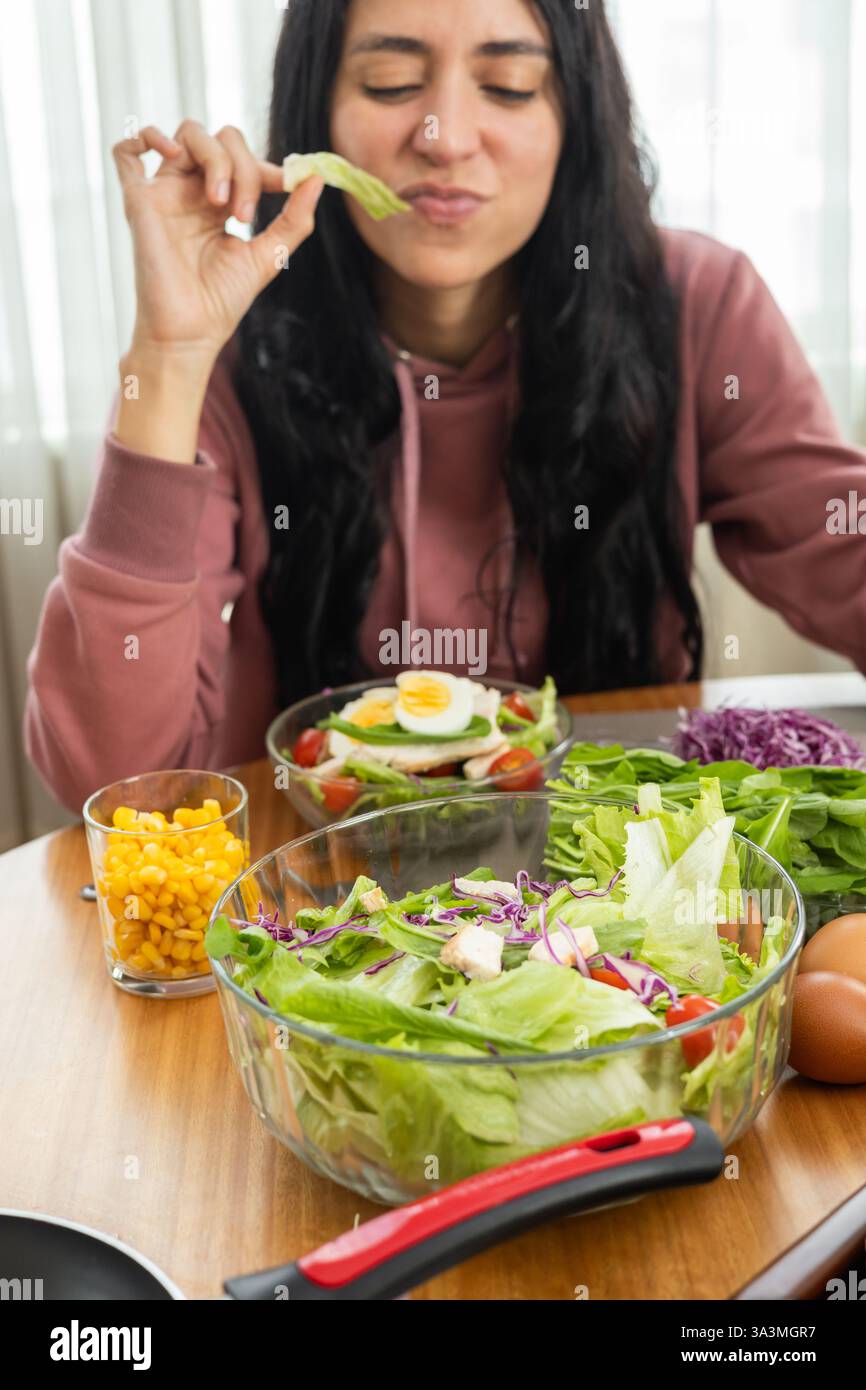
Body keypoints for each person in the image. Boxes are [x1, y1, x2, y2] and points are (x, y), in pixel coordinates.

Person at [25, 0, 866, 812]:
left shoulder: (698, 306)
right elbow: (112, 784)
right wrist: (169, 359)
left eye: (507, 87)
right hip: (319, 895)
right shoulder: (230, 336)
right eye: (391, 83)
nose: (445, 139)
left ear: (575, 113)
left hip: (615, 897)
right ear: (315, 111)